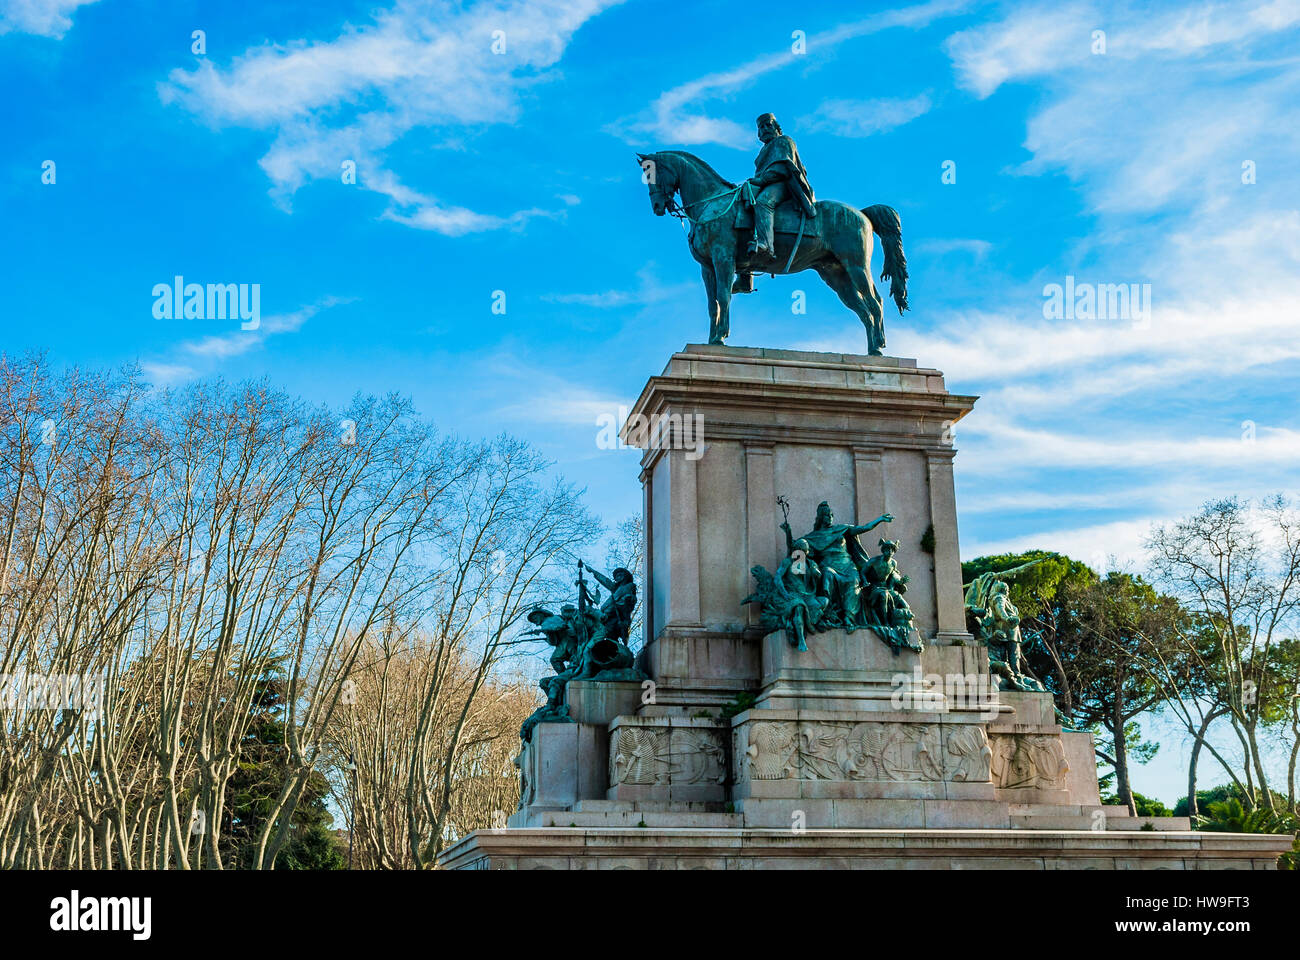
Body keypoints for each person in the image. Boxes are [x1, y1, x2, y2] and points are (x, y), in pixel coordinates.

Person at [733, 113, 817, 294]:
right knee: (741, 207)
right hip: (767, 183)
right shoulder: (763, 151)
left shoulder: (784, 141)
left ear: (776, 127)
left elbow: (781, 168)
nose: (763, 130)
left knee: (763, 203)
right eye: (760, 128)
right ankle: (744, 276)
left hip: (785, 183)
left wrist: (760, 181)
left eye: (767, 126)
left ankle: (766, 245)